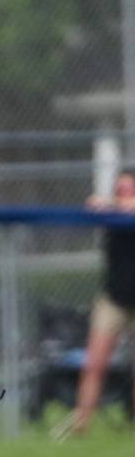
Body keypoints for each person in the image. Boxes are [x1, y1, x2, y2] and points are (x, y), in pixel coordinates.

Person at [66, 168, 135, 436]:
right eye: (121, 190)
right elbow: (93, 207)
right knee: (94, 364)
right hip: (113, 298)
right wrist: (106, 204)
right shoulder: (110, 215)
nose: (125, 196)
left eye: (130, 190)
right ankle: (82, 423)